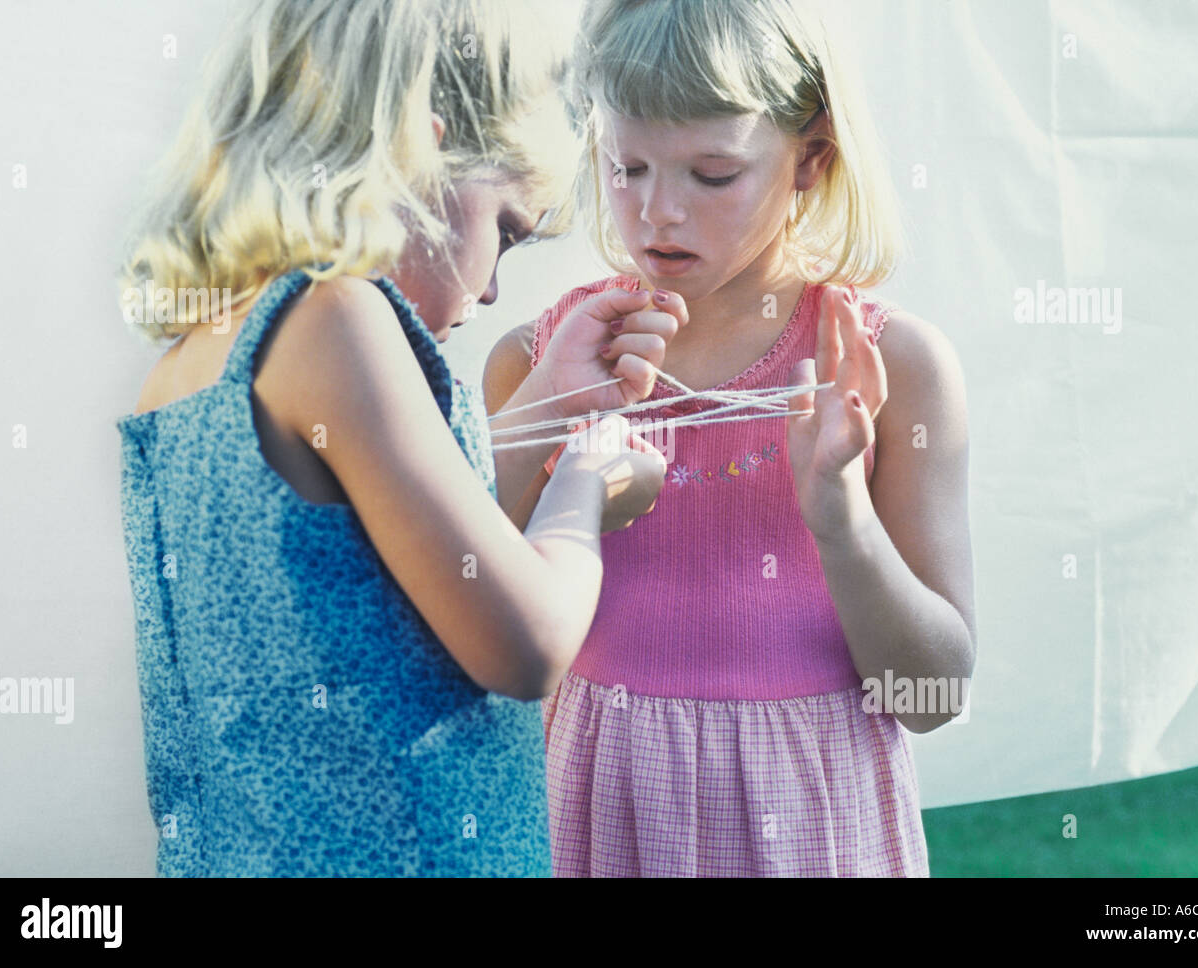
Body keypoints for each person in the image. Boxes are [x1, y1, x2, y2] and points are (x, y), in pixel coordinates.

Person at [113, 0, 675, 876]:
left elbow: (400, 564)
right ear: (415, 159)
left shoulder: (199, 356)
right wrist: (586, 487)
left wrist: (554, 401)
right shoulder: (339, 320)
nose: (492, 291)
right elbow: (523, 644)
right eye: (507, 231)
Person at [483, 0, 977, 876]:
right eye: (625, 165)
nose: (657, 213)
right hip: (597, 818)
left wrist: (843, 522)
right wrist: (536, 425)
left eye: (712, 175)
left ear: (811, 162)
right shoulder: (539, 361)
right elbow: (445, 605)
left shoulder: (893, 367)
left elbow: (933, 696)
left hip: (814, 826)